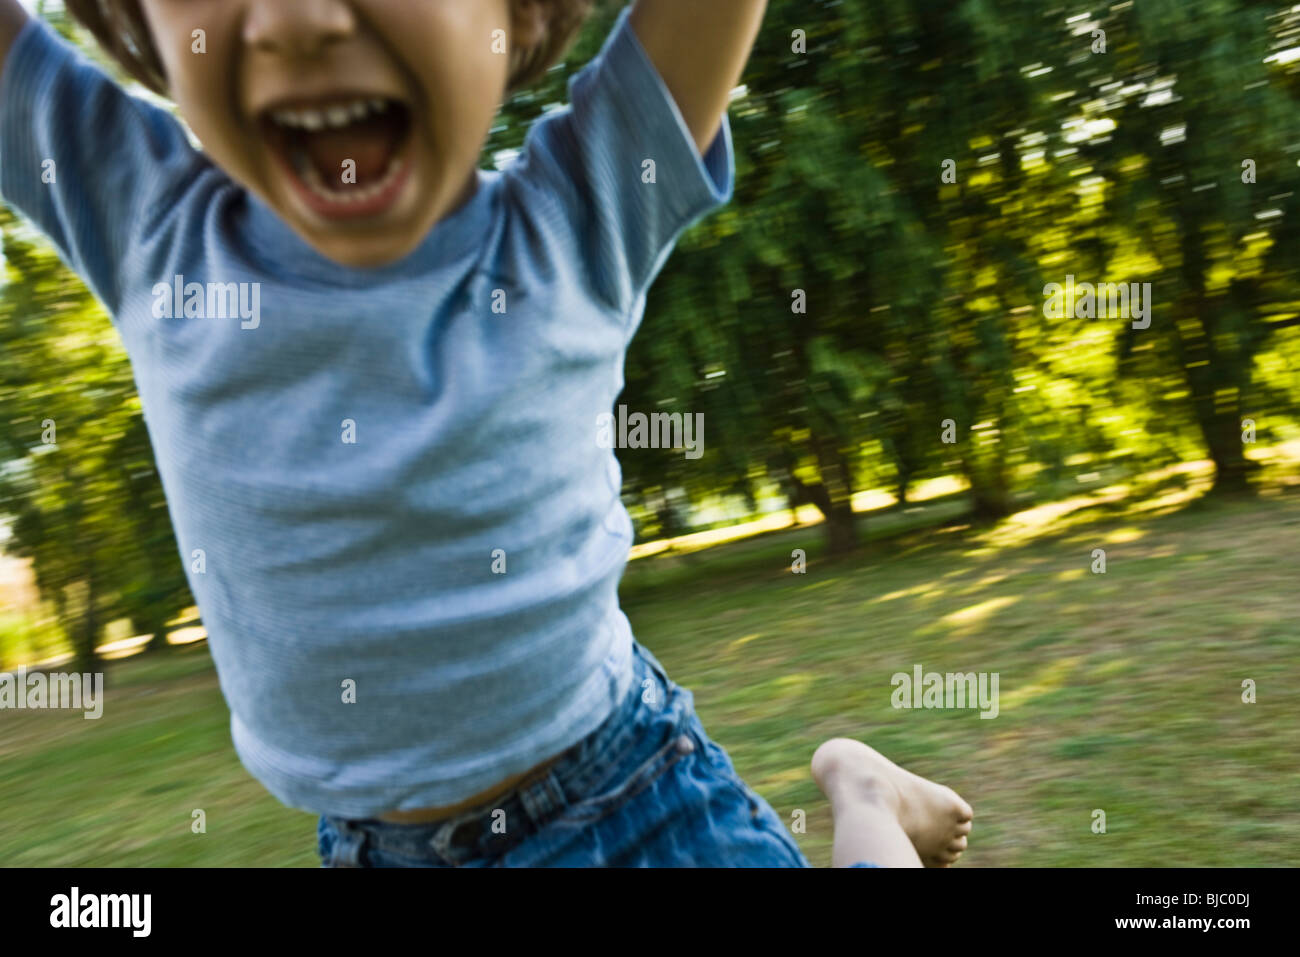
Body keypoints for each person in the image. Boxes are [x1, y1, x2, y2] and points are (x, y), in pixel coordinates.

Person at [0, 0, 972, 866]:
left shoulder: (578, 219)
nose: (295, 21)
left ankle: (867, 798)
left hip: (636, 812)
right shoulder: (148, 229)